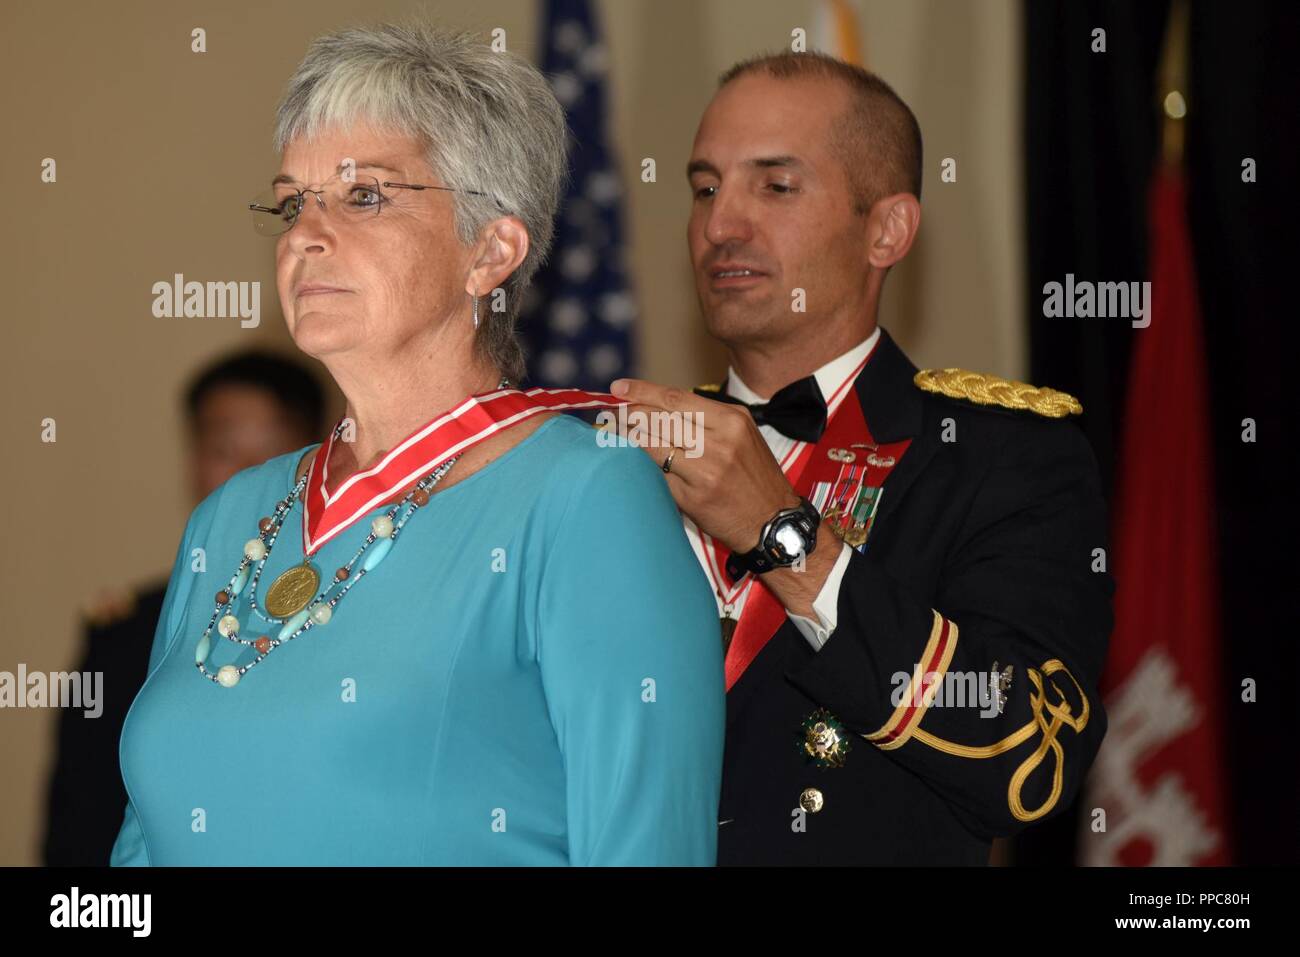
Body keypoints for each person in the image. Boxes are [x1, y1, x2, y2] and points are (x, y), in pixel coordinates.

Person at [109, 21, 723, 866]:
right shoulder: (230, 515)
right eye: (292, 202)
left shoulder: (587, 498)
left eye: (363, 195)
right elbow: (139, 855)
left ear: (491, 250)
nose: (304, 233)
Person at [610, 51, 1113, 865]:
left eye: (776, 186)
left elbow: (1029, 757)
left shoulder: (1002, 458)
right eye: (705, 188)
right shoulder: (615, 454)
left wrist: (785, 537)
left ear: (888, 230)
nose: (720, 225)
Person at [44, 350, 325, 865]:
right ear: (192, 460)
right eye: (222, 448)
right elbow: (78, 831)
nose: (248, 475)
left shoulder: (343, 613)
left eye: (273, 452)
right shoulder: (126, 635)